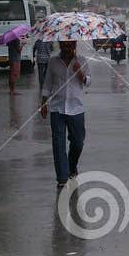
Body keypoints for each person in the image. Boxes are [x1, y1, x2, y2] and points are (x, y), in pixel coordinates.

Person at [40, 39, 90, 188]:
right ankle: (62, 177)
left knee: (78, 142)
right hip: (57, 108)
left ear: (75, 45)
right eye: (65, 45)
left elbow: (89, 82)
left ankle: (71, 166)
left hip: (76, 109)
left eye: (71, 45)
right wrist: (43, 103)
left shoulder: (82, 60)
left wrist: (80, 73)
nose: (68, 48)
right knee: (58, 144)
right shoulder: (53, 61)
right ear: (60, 45)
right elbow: (48, 83)